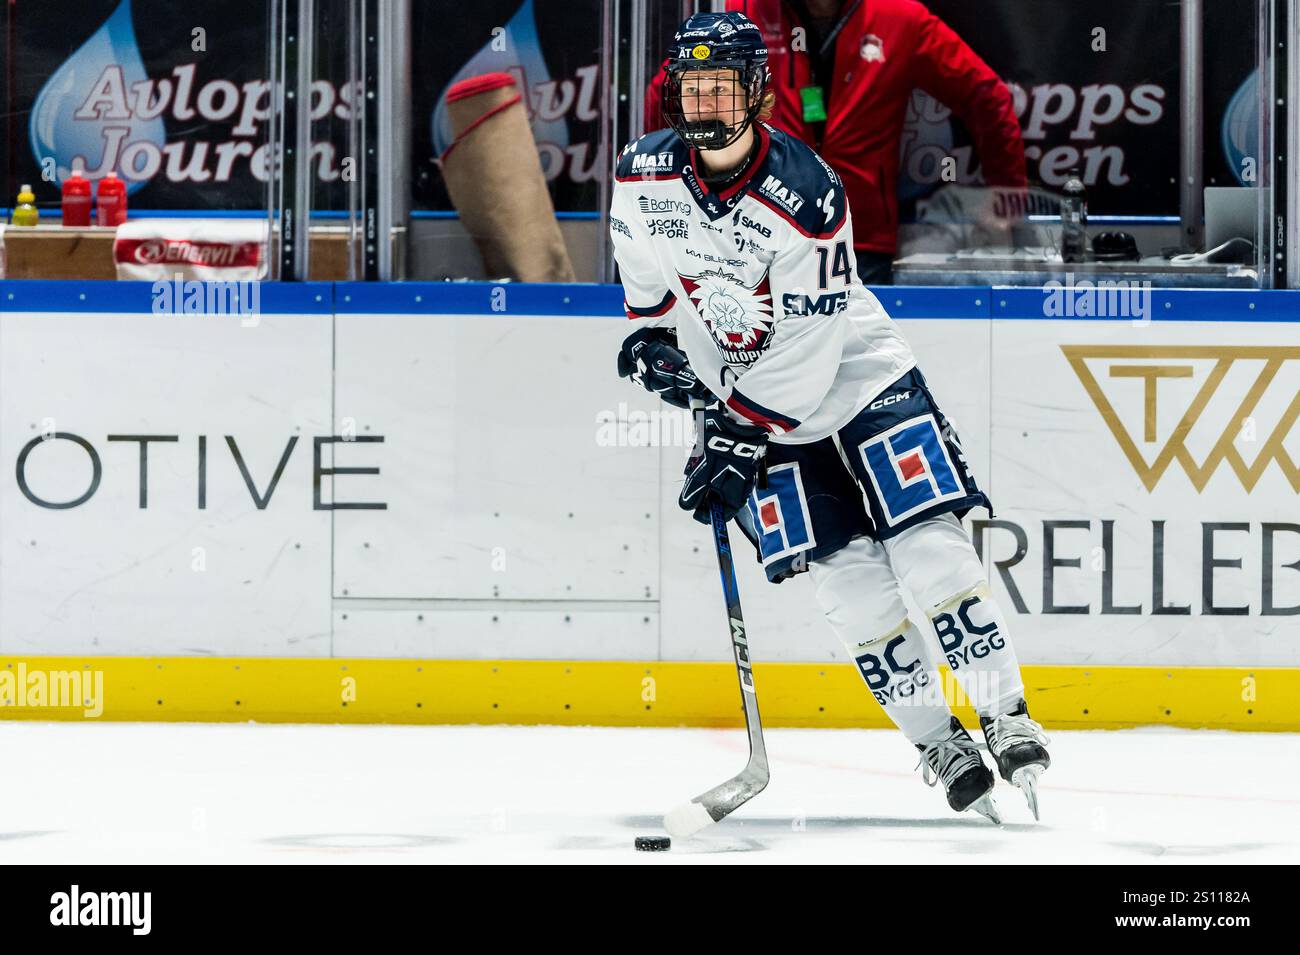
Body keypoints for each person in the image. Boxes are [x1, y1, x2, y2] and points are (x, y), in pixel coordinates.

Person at [612, 11, 1049, 822]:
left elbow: (810, 347)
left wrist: (738, 436)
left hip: (854, 379)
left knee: (930, 556)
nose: (706, 104)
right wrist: (651, 347)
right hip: (747, 397)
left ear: (760, 92)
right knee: (850, 590)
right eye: (693, 86)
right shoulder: (642, 176)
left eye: (723, 86)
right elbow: (653, 296)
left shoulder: (807, 191)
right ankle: (938, 740)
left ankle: (1005, 712)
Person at [644, 0, 1027, 284]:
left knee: (857, 372)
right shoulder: (746, 13)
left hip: (860, 239)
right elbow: (667, 91)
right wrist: (667, 192)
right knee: (759, 365)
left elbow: (986, 96)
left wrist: (1006, 192)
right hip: (754, 231)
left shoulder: (899, 17)